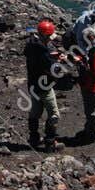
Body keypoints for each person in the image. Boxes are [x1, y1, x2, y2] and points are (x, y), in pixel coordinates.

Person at [24, 19, 64, 151]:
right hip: (44, 87)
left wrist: (50, 57)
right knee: (54, 114)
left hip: (33, 85)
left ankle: (34, 138)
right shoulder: (43, 52)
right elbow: (53, 70)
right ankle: (50, 142)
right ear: (45, 36)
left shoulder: (30, 45)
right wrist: (58, 61)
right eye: (50, 36)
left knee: (35, 112)